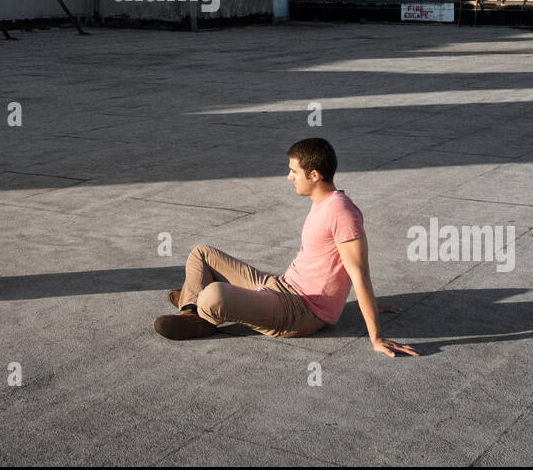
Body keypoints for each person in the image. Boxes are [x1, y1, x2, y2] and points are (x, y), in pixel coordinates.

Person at [154, 138, 419, 358]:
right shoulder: (324, 203)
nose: (289, 176)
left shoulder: (342, 212)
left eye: (294, 171)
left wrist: (377, 337)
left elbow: (359, 272)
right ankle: (192, 313)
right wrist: (366, 303)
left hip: (300, 311)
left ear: (314, 175)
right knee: (201, 254)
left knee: (213, 295)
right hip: (280, 285)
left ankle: (200, 305)